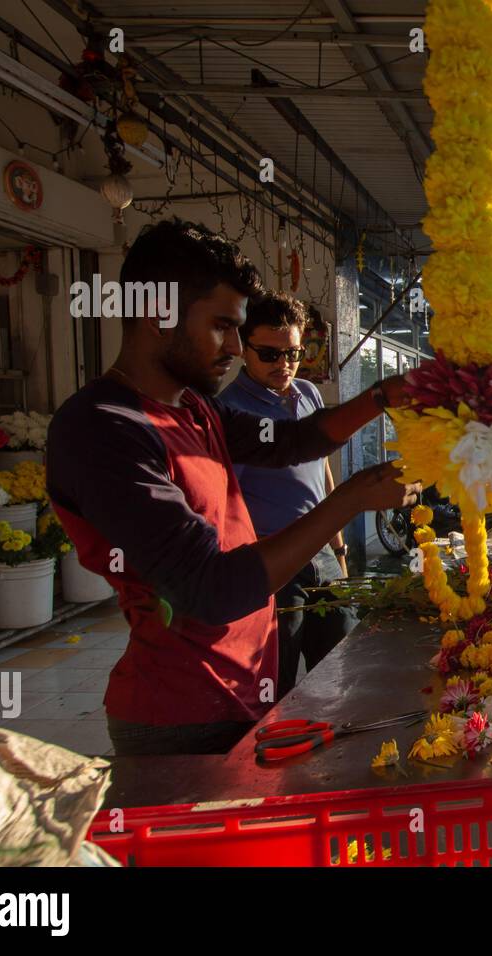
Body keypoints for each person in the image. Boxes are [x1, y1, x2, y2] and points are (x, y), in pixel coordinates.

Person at [46, 219, 421, 756]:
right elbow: (211, 590)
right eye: (222, 326)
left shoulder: (194, 407)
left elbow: (294, 441)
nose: (233, 347)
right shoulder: (103, 429)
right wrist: (351, 501)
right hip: (181, 719)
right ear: (159, 313)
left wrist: (387, 394)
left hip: (247, 687)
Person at [218, 290, 352, 697]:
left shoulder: (308, 395)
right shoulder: (230, 411)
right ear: (243, 348)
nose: (284, 365)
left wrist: (340, 549)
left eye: (294, 354)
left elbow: (322, 474)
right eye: (270, 354)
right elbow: (223, 500)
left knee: (342, 663)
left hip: (323, 557)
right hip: (272, 562)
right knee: (279, 679)